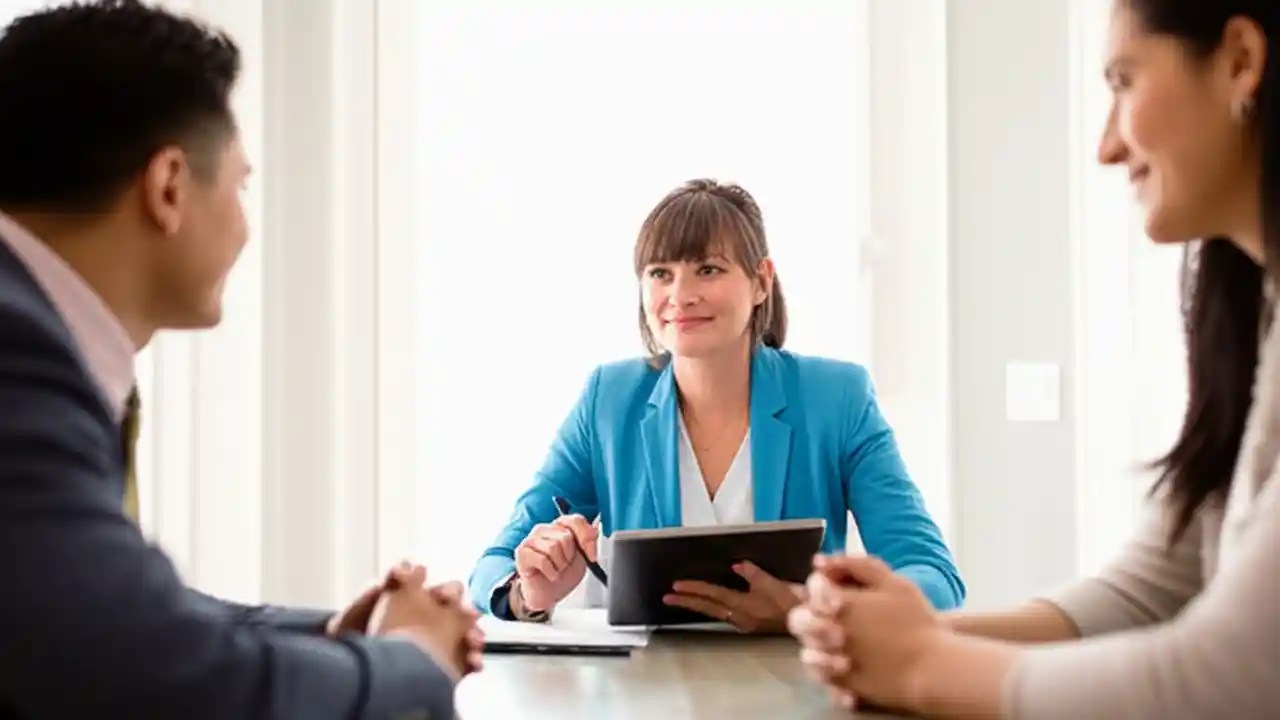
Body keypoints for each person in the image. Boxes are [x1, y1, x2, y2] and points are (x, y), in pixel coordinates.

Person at [789, 1, 1280, 717]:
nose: (1106, 146)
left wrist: (923, 660)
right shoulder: (1251, 318)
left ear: (1239, 60)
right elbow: (1152, 591)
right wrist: (901, 637)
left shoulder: (833, 393)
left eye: (1124, 80)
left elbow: (1231, 679)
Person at [0, 2, 481, 717]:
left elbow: (99, 610)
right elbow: (159, 679)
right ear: (168, 186)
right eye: (240, 183)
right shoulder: (21, 357)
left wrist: (330, 635)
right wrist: (409, 660)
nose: (244, 222)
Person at [468, 178, 963, 632]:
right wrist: (528, 593)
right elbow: (492, 566)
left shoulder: (837, 397)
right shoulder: (609, 400)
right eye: (661, 273)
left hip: (796, 686)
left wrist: (813, 606)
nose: (680, 296)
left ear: (761, 281)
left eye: (708, 269)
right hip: (642, 691)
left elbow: (934, 579)